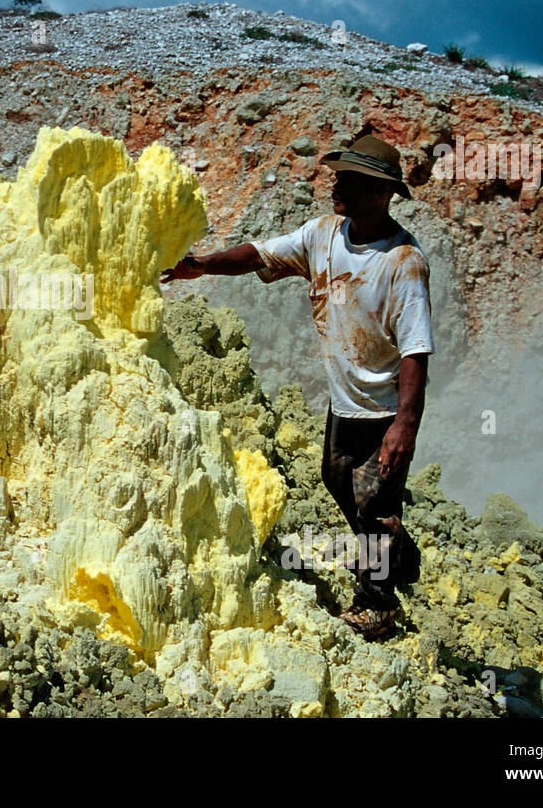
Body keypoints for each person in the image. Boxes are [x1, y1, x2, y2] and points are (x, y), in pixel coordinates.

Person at [161, 134, 431, 640]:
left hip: (383, 412)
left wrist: (404, 428)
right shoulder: (324, 233)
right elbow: (258, 255)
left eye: (349, 180)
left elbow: (416, 352)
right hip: (343, 404)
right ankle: (393, 547)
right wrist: (202, 266)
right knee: (338, 482)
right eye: (338, 176)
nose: (336, 185)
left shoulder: (403, 262)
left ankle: (377, 608)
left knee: (373, 508)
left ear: (380, 193)